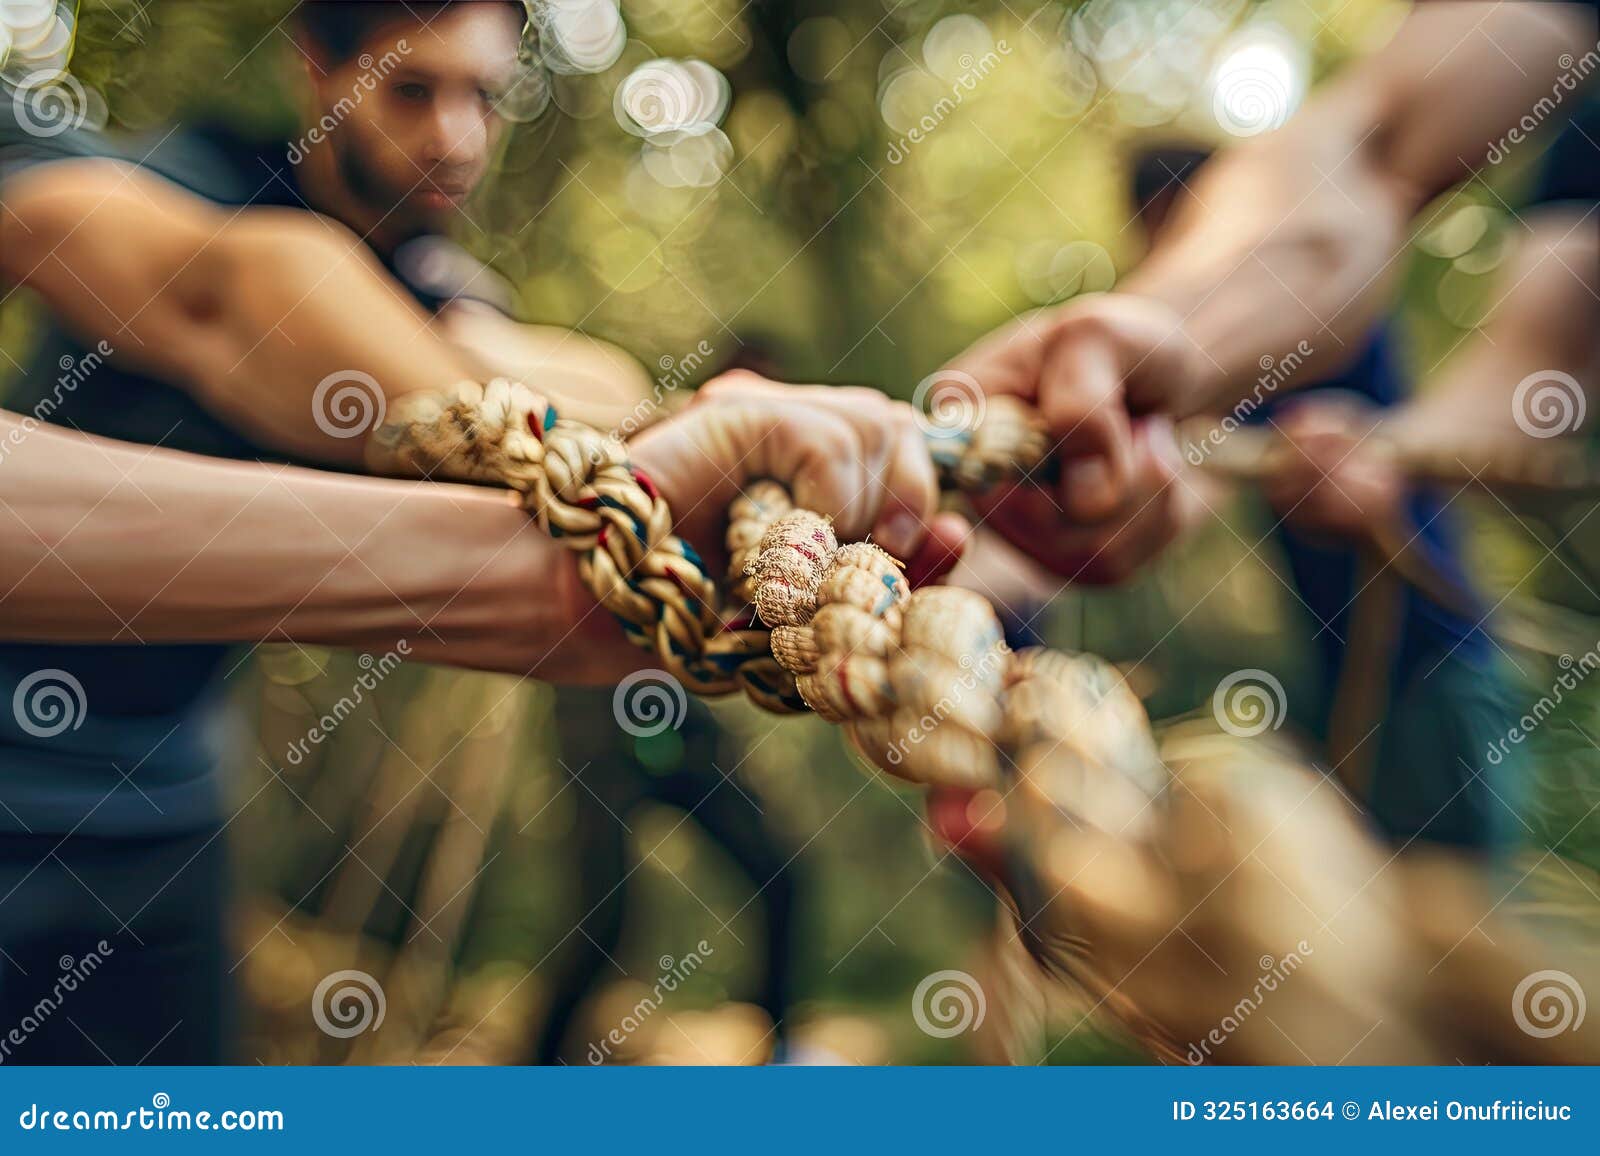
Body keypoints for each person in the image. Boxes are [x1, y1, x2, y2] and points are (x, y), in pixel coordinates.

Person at [0, 0, 964, 1063]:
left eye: (485, 98)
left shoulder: (424, 282)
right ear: (317, 71)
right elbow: (231, 298)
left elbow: (541, 365)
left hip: (165, 805)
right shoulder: (145, 177)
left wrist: (713, 440)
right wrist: (588, 438)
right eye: (412, 89)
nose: (455, 138)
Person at [944, 0, 1600, 850]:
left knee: (1459, 932)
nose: (1174, 256)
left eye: (1175, 231)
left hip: (1442, 663)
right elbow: (1541, 362)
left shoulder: (1332, 336)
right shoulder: (1257, 336)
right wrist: (981, 558)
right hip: (1372, 670)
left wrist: (1381, 451)